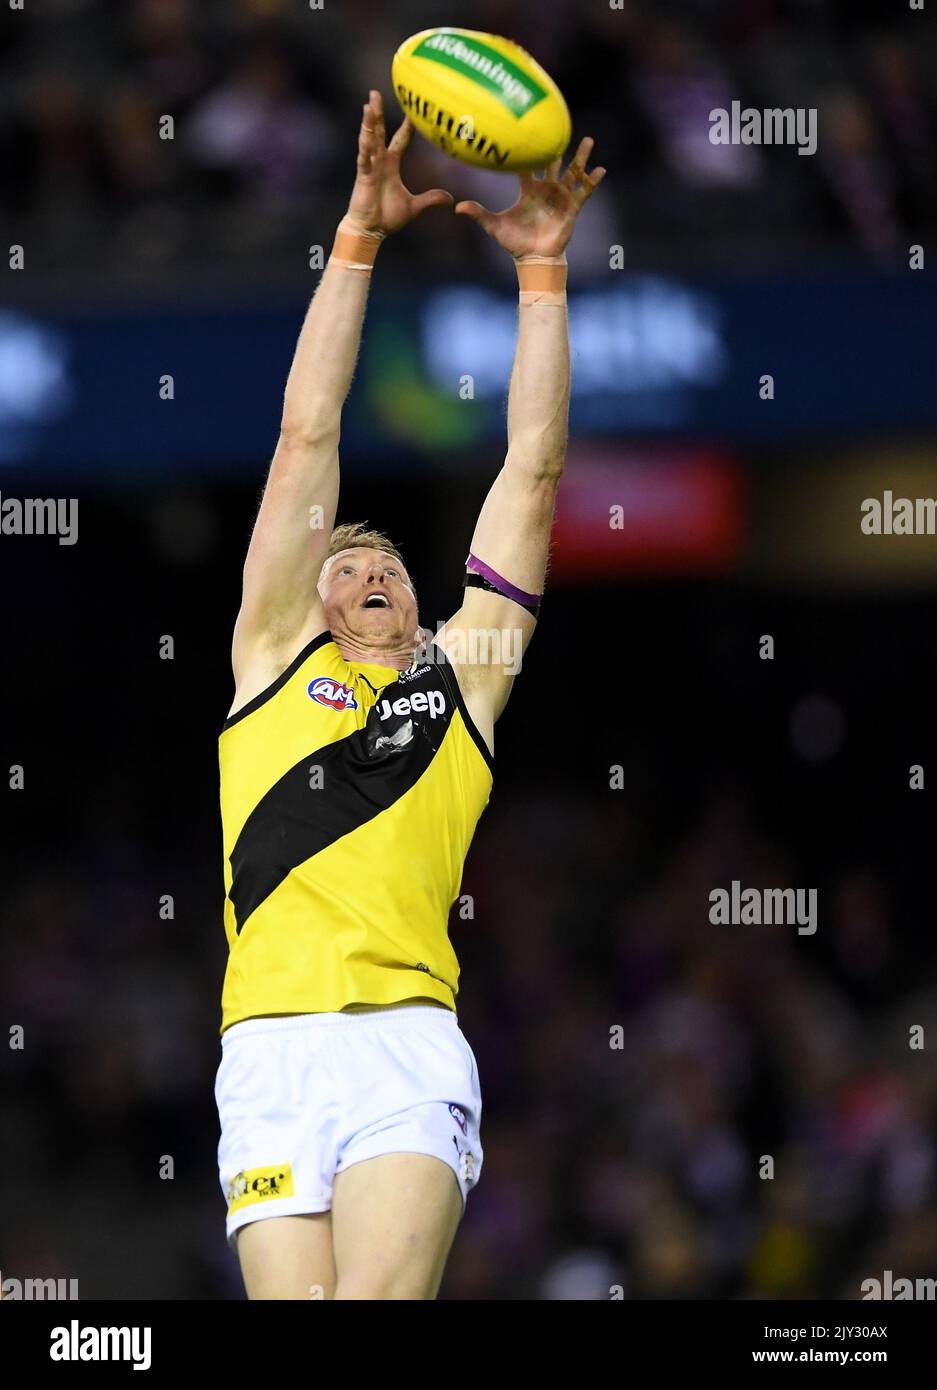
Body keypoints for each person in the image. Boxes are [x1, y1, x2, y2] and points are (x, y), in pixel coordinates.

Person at [214, 89, 604, 1299]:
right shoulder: (276, 658)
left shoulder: (461, 679)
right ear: (312, 601)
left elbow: (530, 473)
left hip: (401, 1046)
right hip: (266, 1052)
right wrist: (358, 238)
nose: (367, 568)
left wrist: (542, 274)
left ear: (417, 602)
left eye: (386, 562)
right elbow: (304, 433)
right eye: (344, 563)